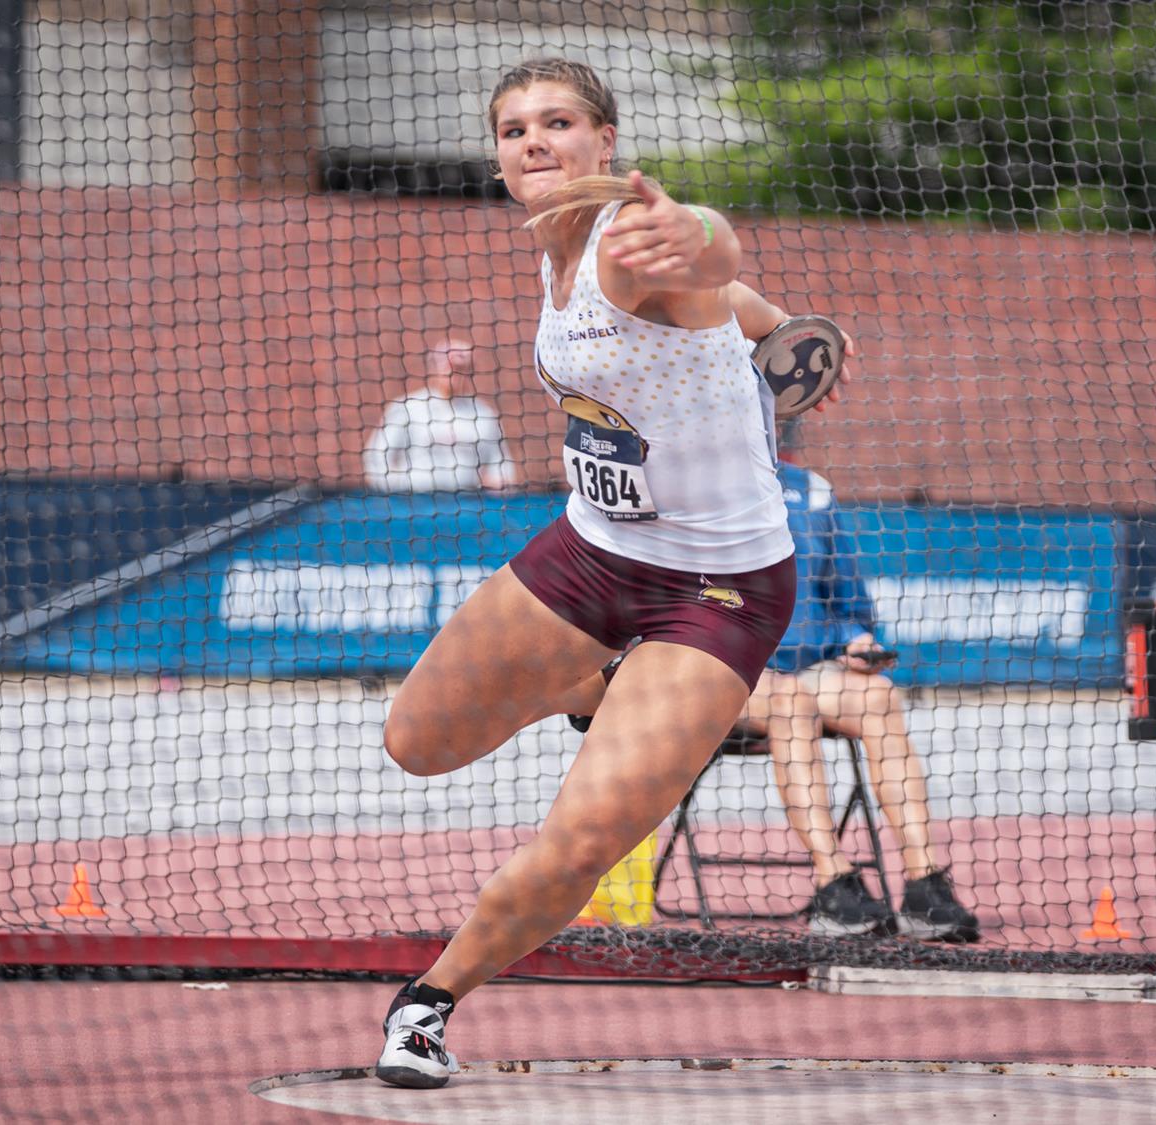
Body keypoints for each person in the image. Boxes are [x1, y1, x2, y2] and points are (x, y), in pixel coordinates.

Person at [371, 57, 814, 1089]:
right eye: (513, 128)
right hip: (589, 554)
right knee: (416, 743)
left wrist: (697, 231)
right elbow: (739, 301)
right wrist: (789, 337)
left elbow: (710, 253)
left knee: (581, 843)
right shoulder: (559, 251)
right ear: (498, 157)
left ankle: (426, 1005)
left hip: (716, 593)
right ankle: (608, 686)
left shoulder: (631, 240)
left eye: (558, 122)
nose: (534, 139)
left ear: (604, 141)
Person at [737, 420, 978, 940]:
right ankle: (833, 882)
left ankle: (923, 885)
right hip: (725, 674)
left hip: (808, 669)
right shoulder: (689, 487)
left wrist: (856, 640)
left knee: (878, 696)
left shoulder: (811, 491)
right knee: (790, 703)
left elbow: (847, 601)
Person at [362, 337, 516, 492]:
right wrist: (400, 492)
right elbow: (376, 460)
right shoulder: (407, 408)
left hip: (467, 503)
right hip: (415, 501)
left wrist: (492, 487)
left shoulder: (484, 415)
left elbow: (503, 469)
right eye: (447, 366)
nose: (453, 373)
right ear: (434, 367)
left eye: (461, 368)